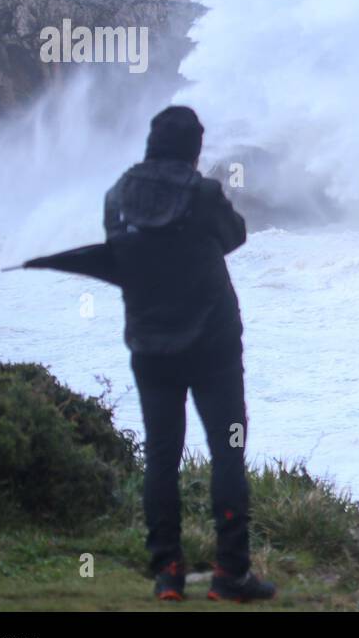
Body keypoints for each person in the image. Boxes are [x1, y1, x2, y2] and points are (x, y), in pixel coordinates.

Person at [104, 105, 275, 603]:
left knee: (161, 456)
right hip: (214, 344)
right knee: (227, 452)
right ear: (193, 149)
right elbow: (235, 235)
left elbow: (120, 251)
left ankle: (168, 575)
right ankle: (230, 575)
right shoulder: (202, 194)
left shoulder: (118, 195)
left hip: (149, 343)